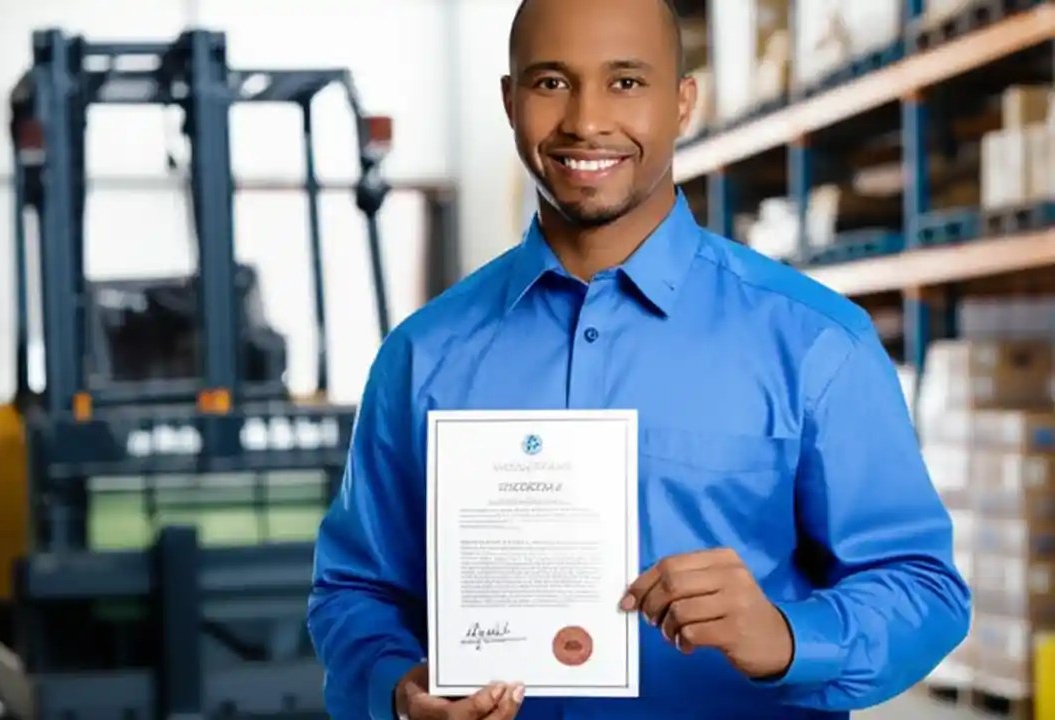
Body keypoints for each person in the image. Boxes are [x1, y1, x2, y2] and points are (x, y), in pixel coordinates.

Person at [306, 0, 971, 717]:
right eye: (551, 82)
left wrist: (785, 636)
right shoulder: (422, 356)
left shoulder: (814, 343)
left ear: (684, 102)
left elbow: (922, 587)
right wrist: (398, 689)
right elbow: (355, 591)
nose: (586, 121)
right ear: (509, 100)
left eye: (626, 82)